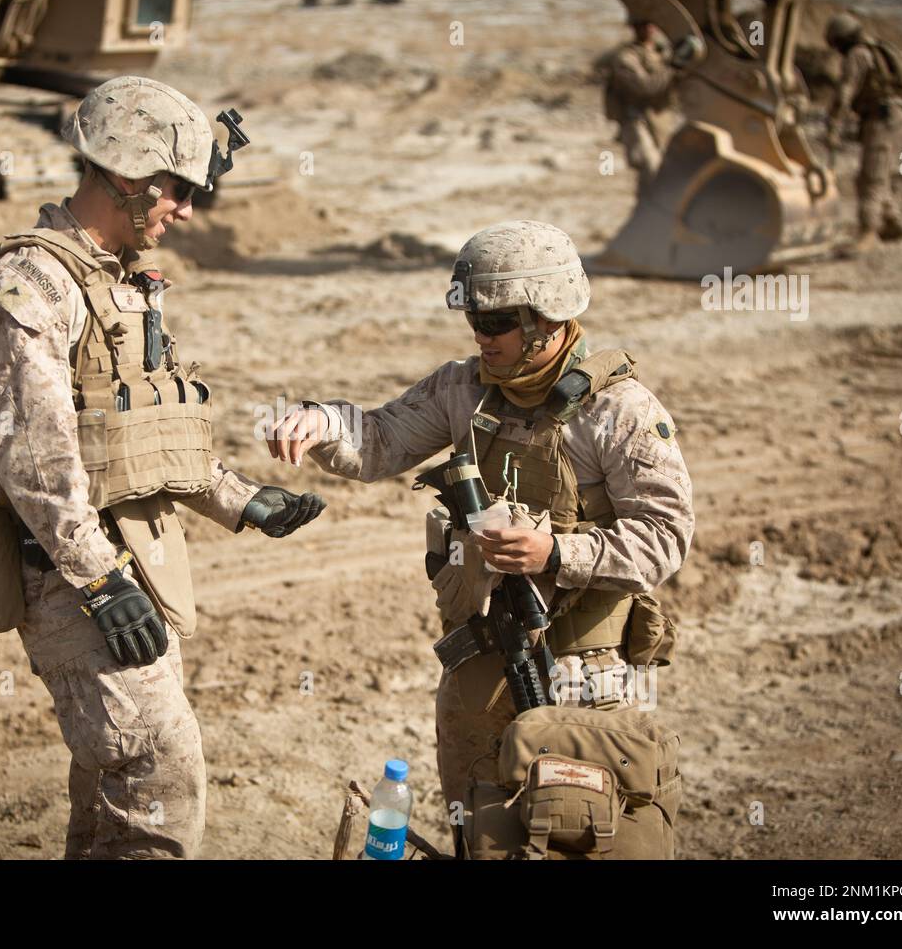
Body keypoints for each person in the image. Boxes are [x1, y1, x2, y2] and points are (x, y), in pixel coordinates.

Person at [0, 76, 324, 858]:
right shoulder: (33, 282)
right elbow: (32, 456)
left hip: (133, 568)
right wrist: (98, 580)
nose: (188, 210)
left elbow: (145, 427)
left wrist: (239, 500)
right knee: (157, 773)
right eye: (178, 189)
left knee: (114, 788)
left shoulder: (117, 279)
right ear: (128, 176)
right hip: (73, 574)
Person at [266, 220, 693, 816]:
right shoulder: (465, 389)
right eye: (474, 320)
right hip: (482, 657)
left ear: (546, 318)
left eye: (495, 323)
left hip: (580, 677)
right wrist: (324, 421)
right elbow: (382, 439)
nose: (480, 337)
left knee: (567, 831)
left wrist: (558, 555)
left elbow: (666, 536)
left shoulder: (617, 411)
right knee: (478, 825)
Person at [825, 13, 902, 253]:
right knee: (878, 173)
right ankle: (892, 221)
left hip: (883, 117)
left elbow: (845, 91)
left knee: (871, 179)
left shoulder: (857, 55)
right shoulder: (878, 49)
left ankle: (867, 235)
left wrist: (833, 124)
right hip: (899, 115)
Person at [604, 16, 677, 194]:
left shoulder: (661, 53)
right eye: (643, 25)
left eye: (650, 24)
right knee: (650, 170)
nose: (648, 29)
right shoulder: (626, 57)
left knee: (666, 172)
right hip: (636, 120)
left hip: (661, 120)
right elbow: (645, 86)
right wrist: (673, 68)